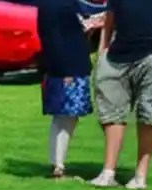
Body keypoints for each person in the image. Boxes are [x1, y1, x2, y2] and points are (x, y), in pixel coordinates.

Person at [90, 0, 152, 190]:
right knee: (111, 114)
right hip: (117, 54)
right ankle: (108, 172)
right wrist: (102, 49)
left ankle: (140, 176)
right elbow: (110, 15)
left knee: (149, 115)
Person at [36, 0, 93, 179]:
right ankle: (58, 165)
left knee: (63, 117)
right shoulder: (59, 5)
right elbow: (55, 37)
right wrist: (64, 69)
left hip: (62, 66)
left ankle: (57, 162)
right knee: (67, 117)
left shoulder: (53, 5)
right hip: (68, 67)